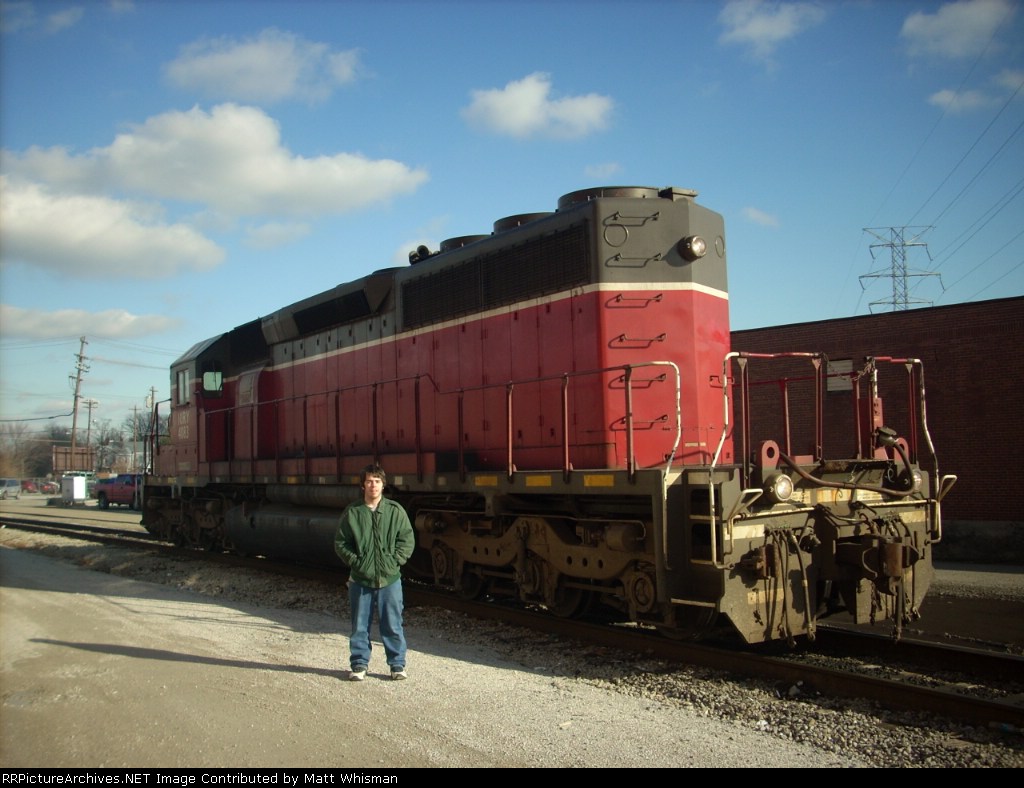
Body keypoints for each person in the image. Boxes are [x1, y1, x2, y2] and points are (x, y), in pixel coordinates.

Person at [334, 464, 415, 681]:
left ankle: (397, 665)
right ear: (363, 485)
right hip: (361, 579)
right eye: (369, 481)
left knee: (393, 623)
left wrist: (394, 561)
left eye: (377, 481)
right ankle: (359, 665)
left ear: (383, 485)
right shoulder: (353, 513)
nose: (373, 485)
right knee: (360, 624)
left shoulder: (395, 511)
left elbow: (407, 539)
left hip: (390, 579)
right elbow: (341, 542)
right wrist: (356, 562)